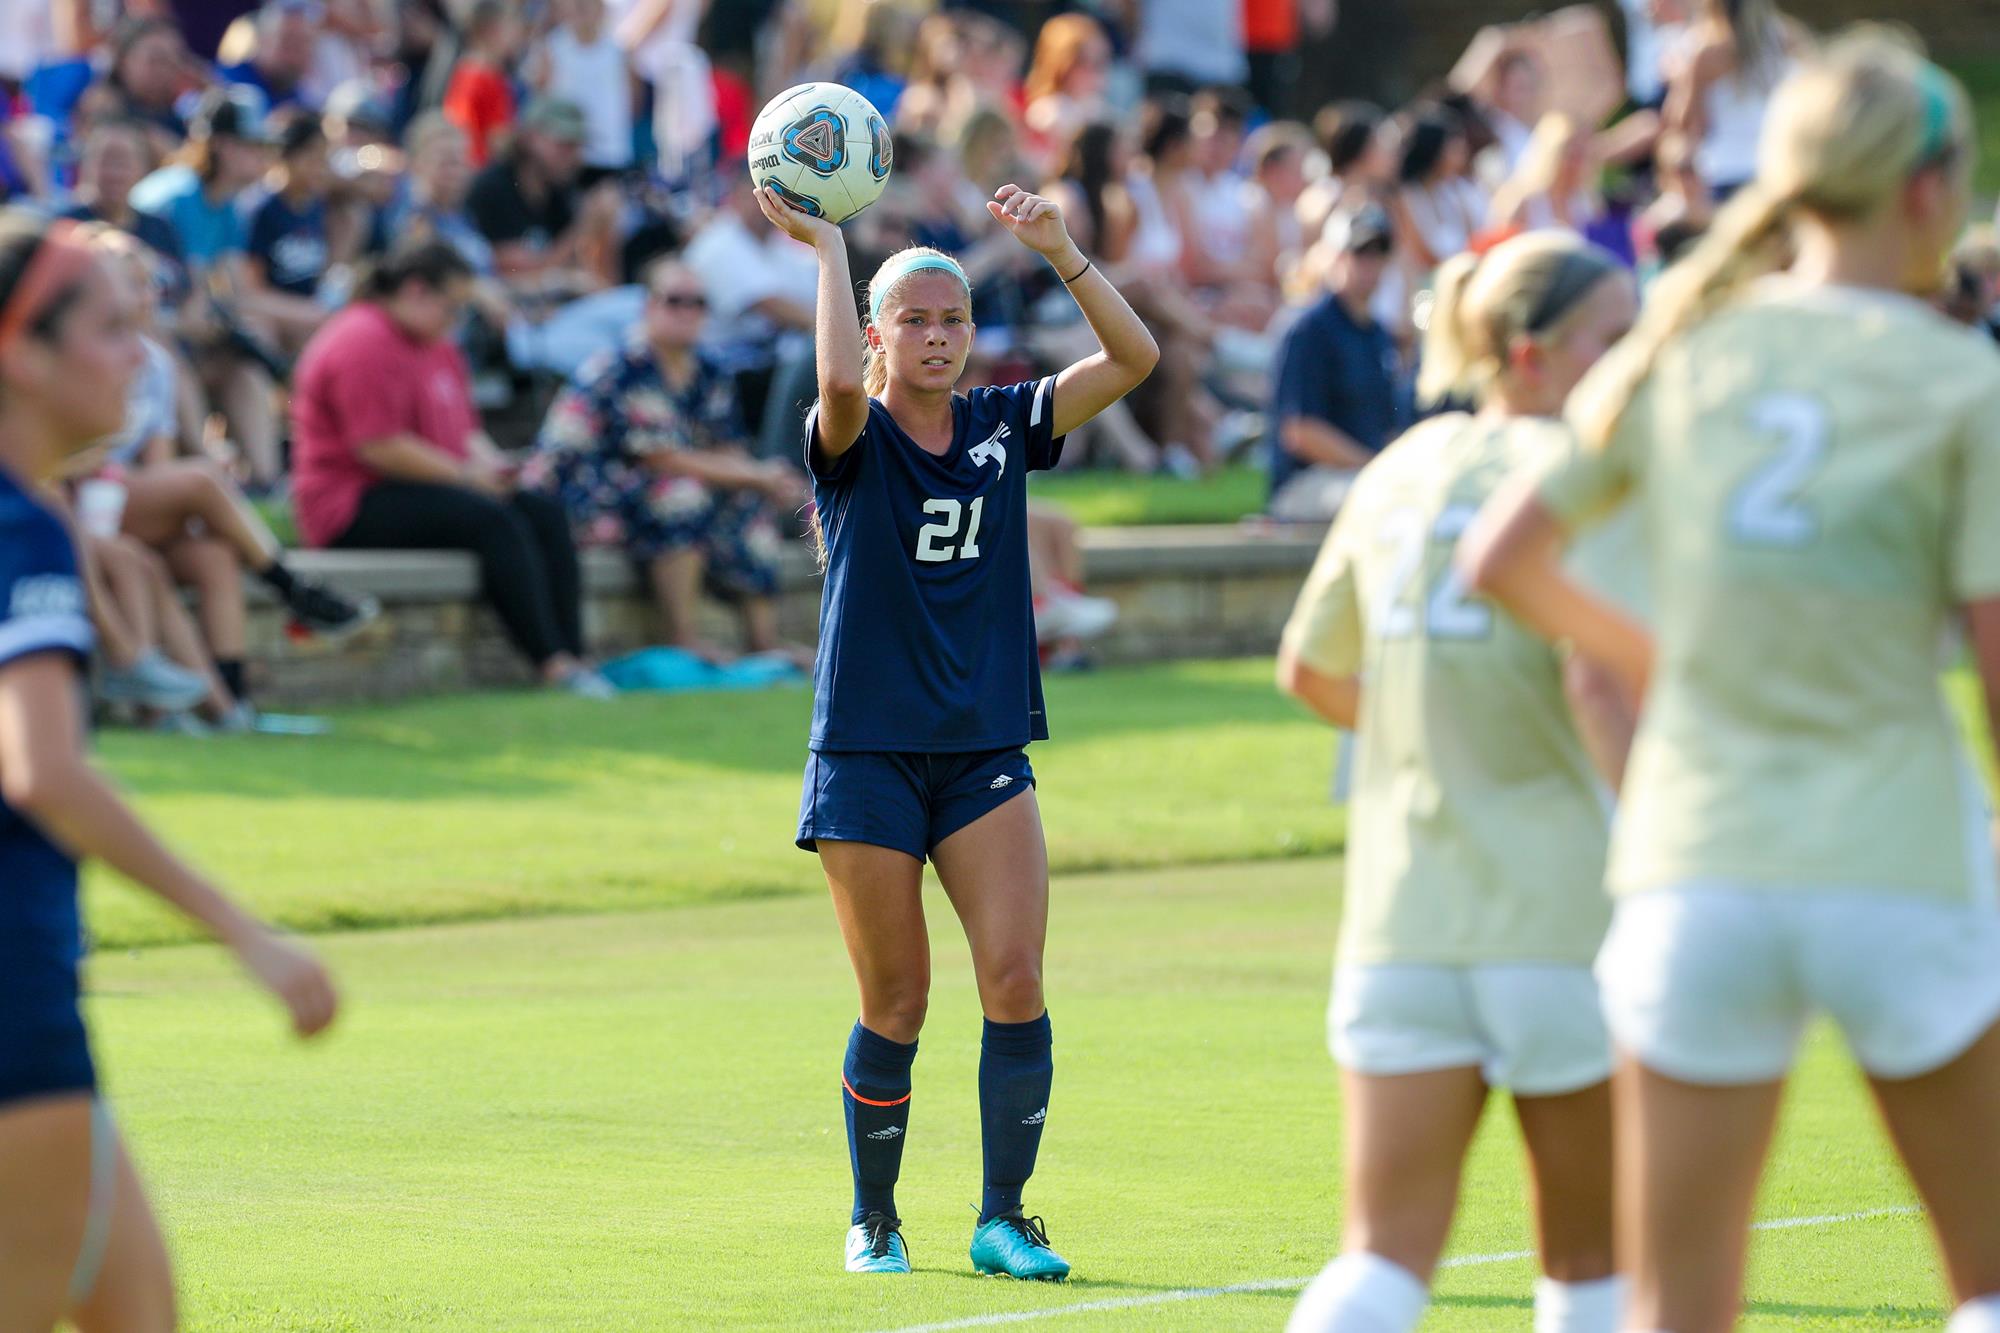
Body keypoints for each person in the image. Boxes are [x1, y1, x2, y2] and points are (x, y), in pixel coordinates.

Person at [1460, 38, 2000, 1332]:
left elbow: (1507, 561)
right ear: (1929, 191)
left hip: (1696, 865)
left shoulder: (1683, 353)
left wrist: (1672, 667)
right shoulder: (1959, 378)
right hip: (1901, 860)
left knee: (1676, 1310)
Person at [759, 176, 1157, 1277]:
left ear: (970, 335)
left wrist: (1063, 249)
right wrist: (827, 246)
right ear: (880, 336)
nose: (935, 337)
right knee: (896, 996)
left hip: (982, 749)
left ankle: (1001, 1215)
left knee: (1014, 979)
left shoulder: (1000, 422)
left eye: (951, 320)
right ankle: (873, 1217)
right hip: (866, 756)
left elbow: (1134, 362)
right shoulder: (847, 434)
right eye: (913, 322)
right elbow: (837, 379)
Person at [1278, 229, 1639, 1333]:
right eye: (1612, 341)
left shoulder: (1400, 465)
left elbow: (1307, 667)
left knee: (1379, 1263)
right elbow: (1598, 682)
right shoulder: (1577, 477)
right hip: (1557, 910)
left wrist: (1419, 740)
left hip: (1399, 917)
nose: (1634, 366)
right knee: (1587, 1267)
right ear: (1530, 353)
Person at [0, 209, 337, 1333]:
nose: (140, 354)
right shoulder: (20, 527)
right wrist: (247, 932)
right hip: (15, 998)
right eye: (109, 327)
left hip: (40, 999)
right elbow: (44, 770)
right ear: (20, 350)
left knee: (135, 1308)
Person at [290, 239, 614, 698]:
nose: (457, 321)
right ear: (417, 291)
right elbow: (379, 448)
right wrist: (468, 478)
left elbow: (465, 433)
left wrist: (496, 470)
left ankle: (576, 655)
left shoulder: (436, 345)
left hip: (424, 487)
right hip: (350, 503)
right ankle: (552, 663)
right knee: (492, 522)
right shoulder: (361, 339)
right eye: (453, 307)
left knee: (541, 510)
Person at [530, 257, 811, 665]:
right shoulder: (624, 366)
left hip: (644, 488)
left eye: (698, 303)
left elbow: (726, 448)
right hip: (578, 494)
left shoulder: (708, 371)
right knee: (680, 494)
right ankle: (682, 637)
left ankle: (764, 642)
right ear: (648, 306)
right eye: (674, 301)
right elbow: (661, 458)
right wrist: (756, 475)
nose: (687, 312)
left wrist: (763, 479)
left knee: (751, 502)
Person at [1266, 205, 1404, 521]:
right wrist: (1374, 467)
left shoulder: (1378, 333)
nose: (1370, 264)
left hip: (1360, 476)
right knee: (1382, 500)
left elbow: (1385, 425)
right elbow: (1300, 431)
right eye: (1360, 253)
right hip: (1305, 485)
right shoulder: (1308, 328)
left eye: (1378, 254)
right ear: (1335, 256)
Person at [1662, 0, 1799, 200]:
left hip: (1725, 171)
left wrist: (1679, 80)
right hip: (1777, 167)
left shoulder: (1707, 54)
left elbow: (1682, 119)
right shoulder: (1788, 41)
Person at [442, 0, 523, 168]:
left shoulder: (464, 69)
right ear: (491, 30)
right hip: (481, 172)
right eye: (512, 26)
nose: (518, 33)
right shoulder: (487, 78)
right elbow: (501, 142)